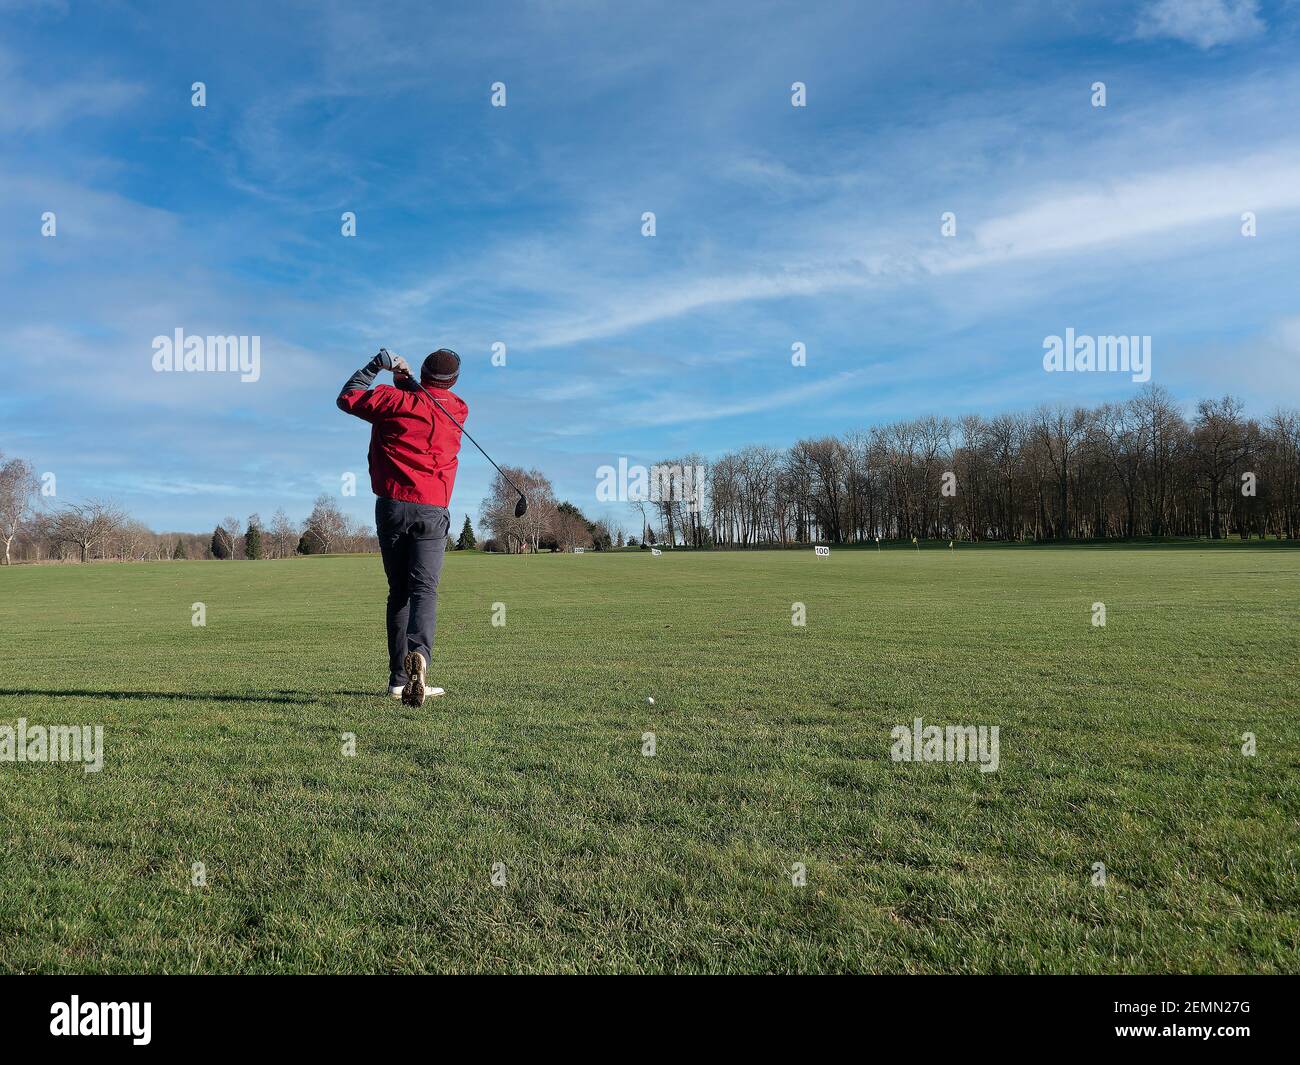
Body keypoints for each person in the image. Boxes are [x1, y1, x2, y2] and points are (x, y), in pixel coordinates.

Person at [336, 349, 467, 706]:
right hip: (432, 509)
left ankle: (398, 679)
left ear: (423, 373)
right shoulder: (457, 408)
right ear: (453, 382)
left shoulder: (390, 400)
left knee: (399, 592)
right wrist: (405, 380)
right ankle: (420, 657)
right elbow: (424, 400)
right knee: (424, 590)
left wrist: (377, 365)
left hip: (392, 507)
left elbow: (347, 397)